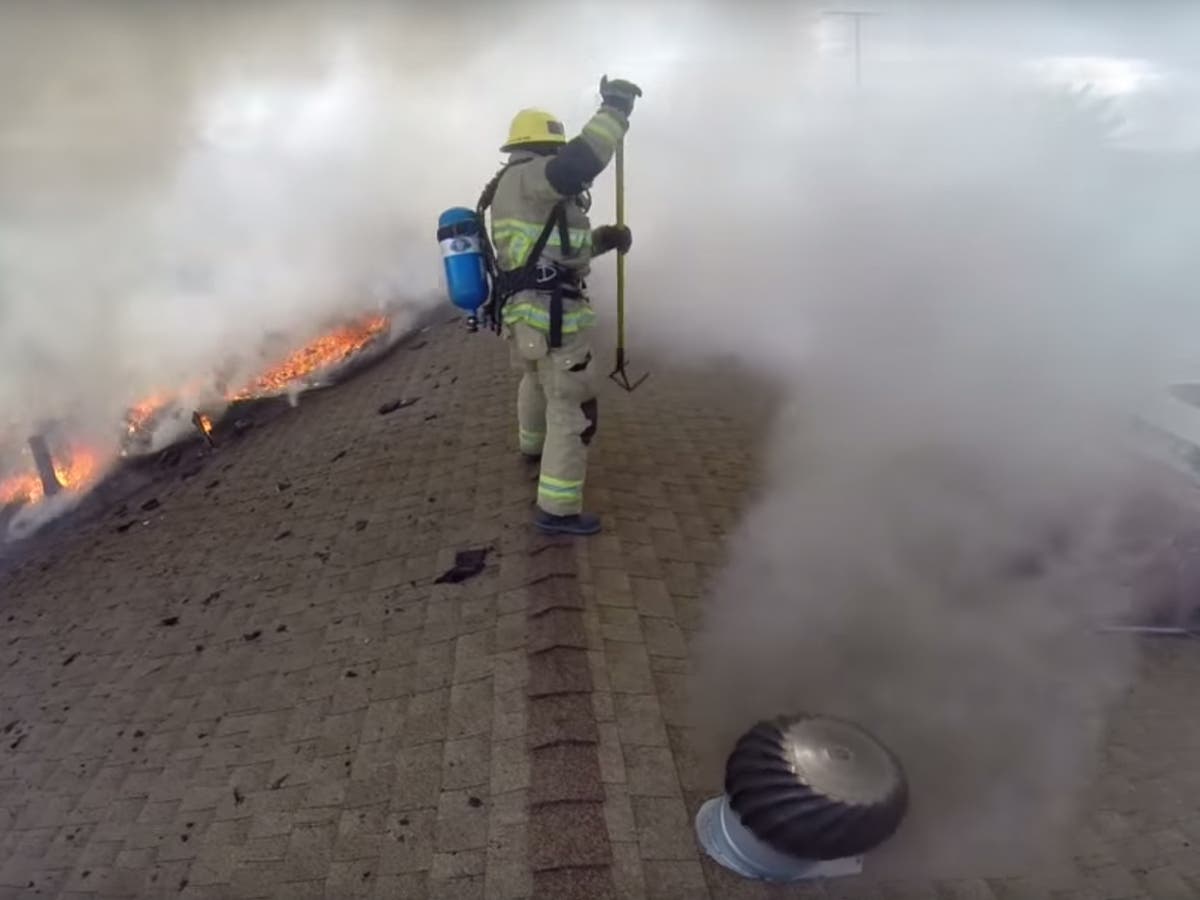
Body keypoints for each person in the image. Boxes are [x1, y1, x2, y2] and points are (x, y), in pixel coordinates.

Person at [481, 76, 641, 536]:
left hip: (525, 313)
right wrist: (615, 111)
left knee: (536, 379)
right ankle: (558, 508)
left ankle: (532, 448)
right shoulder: (536, 177)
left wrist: (605, 240)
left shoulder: (512, 185)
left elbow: (549, 252)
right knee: (572, 405)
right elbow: (580, 162)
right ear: (542, 148)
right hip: (552, 314)